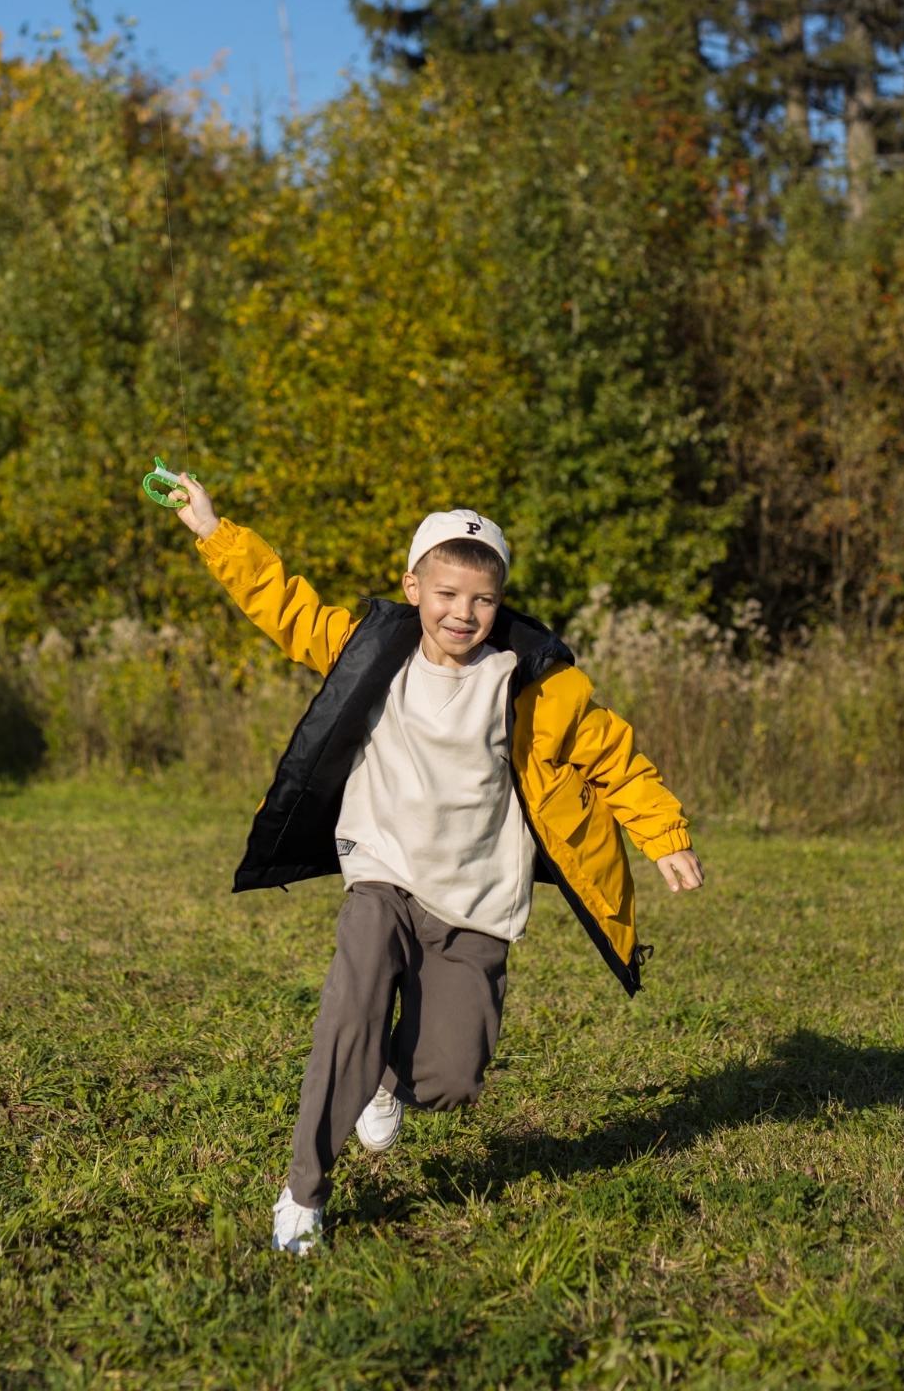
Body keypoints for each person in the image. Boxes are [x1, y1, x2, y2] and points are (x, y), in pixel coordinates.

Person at [168, 476, 705, 1255]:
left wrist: (666, 836)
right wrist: (213, 529)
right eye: (446, 593)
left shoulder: (535, 685)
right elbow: (282, 605)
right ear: (413, 586)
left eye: (481, 599)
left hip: (478, 899)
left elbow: (614, 758)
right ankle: (302, 1194)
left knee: (451, 1079)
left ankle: (389, 1084)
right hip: (382, 870)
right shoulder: (371, 652)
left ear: (501, 602)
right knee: (349, 1011)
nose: (462, 613)